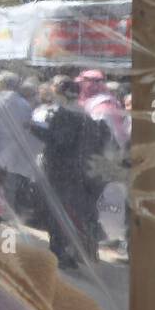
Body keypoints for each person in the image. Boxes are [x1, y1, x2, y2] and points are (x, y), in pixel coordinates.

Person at [31, 76, 110, 267]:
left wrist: (35, 130)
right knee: (72, 210)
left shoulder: (64, 115)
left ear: (59, 93)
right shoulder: (85, 115)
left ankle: (60, 253)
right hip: (77, 171)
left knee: (58, 211)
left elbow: (59, 141)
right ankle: (71, 252)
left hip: (60, 171)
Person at [0, 70, 40, 214]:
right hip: (18, 150)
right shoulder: (23, 104)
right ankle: (13, 214)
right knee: (12, 185)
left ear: (0, 84)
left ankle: (1, 214)